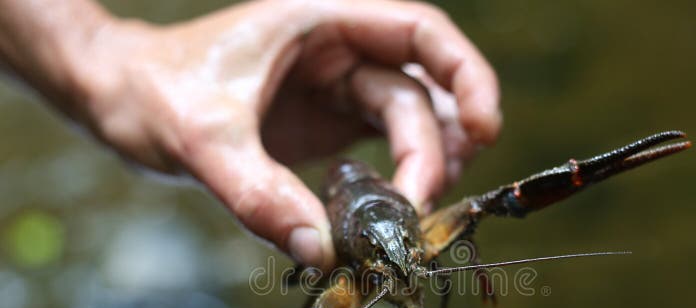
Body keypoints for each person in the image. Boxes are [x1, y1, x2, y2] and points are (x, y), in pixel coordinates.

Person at [0, 0, 501, 270]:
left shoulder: (414, 241)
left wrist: (93, 46)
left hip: (376, 210)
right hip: (351, 203)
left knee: (487, 206)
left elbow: (472, 220)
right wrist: (90, 46)